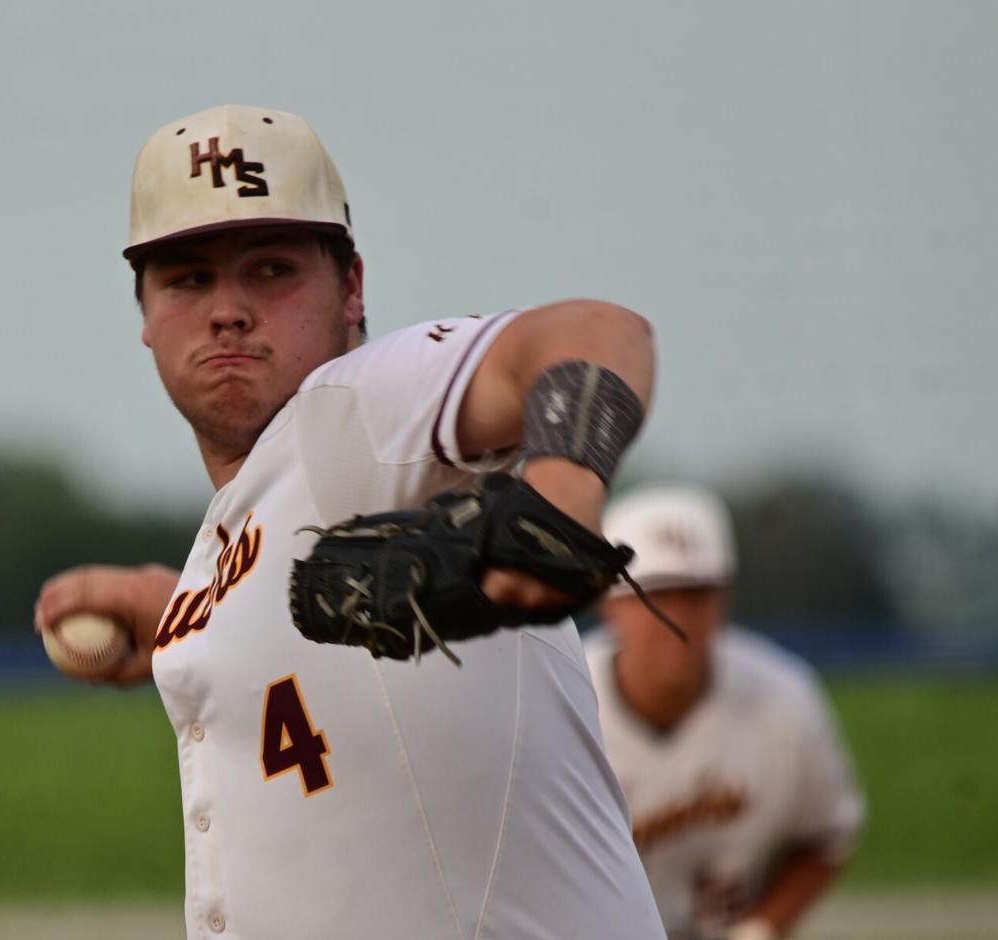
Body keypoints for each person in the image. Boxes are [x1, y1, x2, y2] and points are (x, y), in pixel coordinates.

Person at [34, 103, 666, 939]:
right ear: (146, 318)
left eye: (269, 270)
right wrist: (180, 613)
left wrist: (554, 498)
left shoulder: (353, 409)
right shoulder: (246, 523)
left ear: (352, 287)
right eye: (188, 278)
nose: (227, 309)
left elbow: (595, 332)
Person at [585, 484, 866, 940]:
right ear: (607, 601)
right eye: (653, 594)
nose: (675, 616)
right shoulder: (562, 705)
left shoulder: (783, 699)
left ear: (724, 596)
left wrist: (759, 930)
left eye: (695, 594)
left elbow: (826, 834)